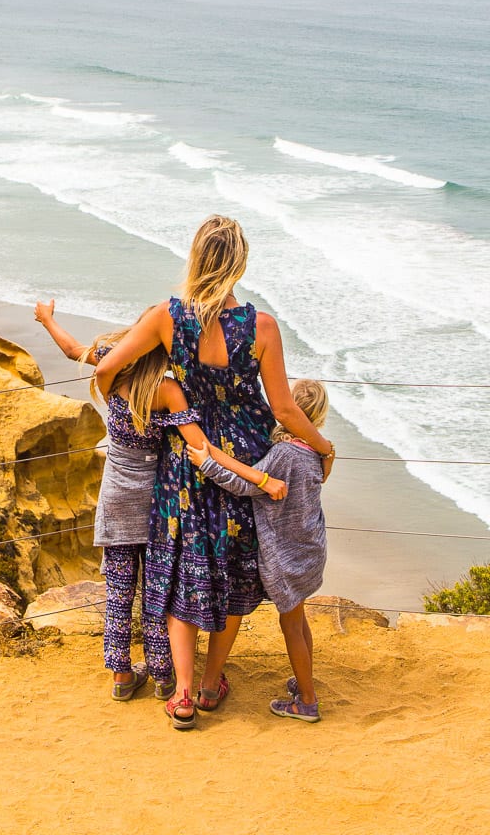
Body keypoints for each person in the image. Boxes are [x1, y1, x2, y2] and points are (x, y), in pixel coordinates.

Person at [94, 216, 334, 726]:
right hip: (245, 467)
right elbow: (287, 410)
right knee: (232, 579)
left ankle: (182, 692)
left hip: (188, 466)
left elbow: (104, 367)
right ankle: (208, 686)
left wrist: (124, 404)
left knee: (186, 572)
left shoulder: (166, 316)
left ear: (196, 257)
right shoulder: (261, 326)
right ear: (240, 262)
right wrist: (324, 447)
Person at [34, 297, 286, 717]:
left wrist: (47, 320)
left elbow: (73, 350)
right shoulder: (168, 391)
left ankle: (120, 675)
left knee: (118, 591)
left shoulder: (113, 374)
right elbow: (199, 446)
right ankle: (163, 674)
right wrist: (259, 477)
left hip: (115, 499)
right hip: (152, 503)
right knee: (155, 591)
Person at [187, 378, 330, 722]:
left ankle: (307, 702)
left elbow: (245, 484)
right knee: (299, 619)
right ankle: (303, 681)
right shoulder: (317, 453)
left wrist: (206, 463)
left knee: (292, 626)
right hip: (310, 549)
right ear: (319, 418)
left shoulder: (283, 454)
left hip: (285, 555)